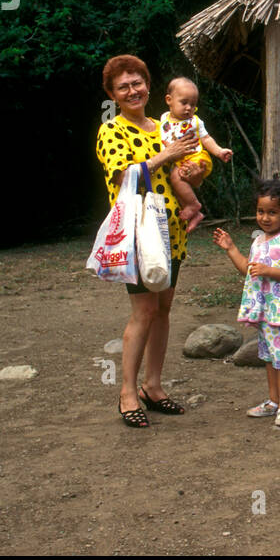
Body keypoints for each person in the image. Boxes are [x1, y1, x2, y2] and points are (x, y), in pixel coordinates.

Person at [96, 54, 199, 428]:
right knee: (143, 311)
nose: (132, 90)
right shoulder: (112, 131)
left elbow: (184, 176)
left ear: (148, 84)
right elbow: (123, 177)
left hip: (171, 231)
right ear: (112, 94)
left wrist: (194, 169)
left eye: (137, 82)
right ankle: (127, 392)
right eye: (122, 86)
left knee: (164, 309)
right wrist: (166, 155)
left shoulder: (165, 126)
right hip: (139, 235)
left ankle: (152, 386)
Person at [211, 178, 280, 428]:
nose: (265, 218)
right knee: (269, 357)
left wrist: (269, 271)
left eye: (272, 212)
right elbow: (248, 270)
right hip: (266, 312)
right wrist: (231, 248)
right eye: (260, 212)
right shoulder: (259, 241)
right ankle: (273, 401)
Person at [159, 77, 233, 231]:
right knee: (177, 183)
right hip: (178, 161)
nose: (188, 108)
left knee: (175, 176)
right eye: (184, 102)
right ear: (169, 100)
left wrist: (219, 151)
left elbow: (206, 138)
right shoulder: (163, 119)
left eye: (193, 104)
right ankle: (195, 213)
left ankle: (193, 205)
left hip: (196, 158)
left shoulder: (195, 122)